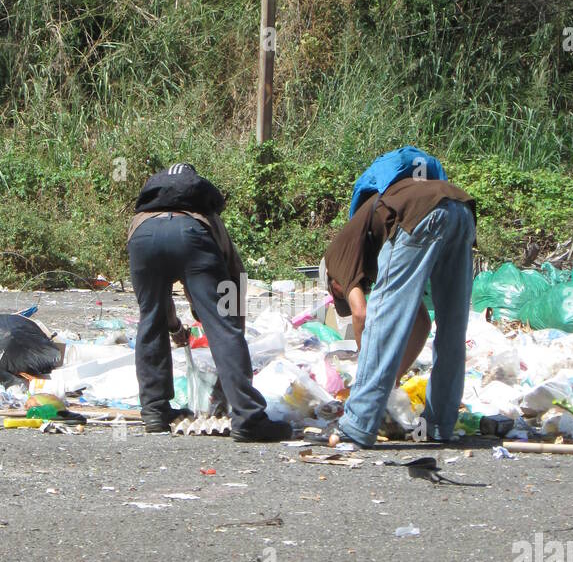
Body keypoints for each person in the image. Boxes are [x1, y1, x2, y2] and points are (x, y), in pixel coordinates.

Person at [127, 163, 291, 441]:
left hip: (141, 238)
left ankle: (154, 411)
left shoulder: (146, 212)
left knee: (148, 319)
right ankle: (248, 417)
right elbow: (233, 287)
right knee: (222, 325)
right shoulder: (206, 215)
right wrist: (228, 327)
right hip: (192, 236)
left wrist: (174, 327)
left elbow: (158, 307)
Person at [323, 161, 476, 448]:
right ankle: (439, 425)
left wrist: (366, 377)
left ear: (334, 286)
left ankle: (358, 423)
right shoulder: (371, 248)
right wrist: (391, 379)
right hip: (460, 210)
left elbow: (363, 315)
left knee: (383, 321)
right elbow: (420, 322)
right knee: (453, 325)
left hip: (419, 214)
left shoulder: (335, 261)